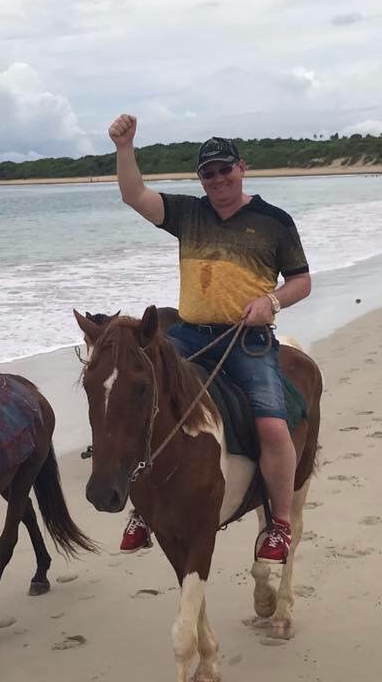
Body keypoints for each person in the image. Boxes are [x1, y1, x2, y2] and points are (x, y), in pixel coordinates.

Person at [108, 115, 312, 564]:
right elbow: (134, 195)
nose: (218, 179)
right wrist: (126, 148)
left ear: (242, 168)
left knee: (273, 425)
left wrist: (271, 304)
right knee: (140, 402)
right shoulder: (188, 212)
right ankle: (143, 509)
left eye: (224, 169)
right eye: (208, 173)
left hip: (248, 340)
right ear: (200, 178)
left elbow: (301, 281)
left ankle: (277, 523)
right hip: (188, 335)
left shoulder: (274, 221)